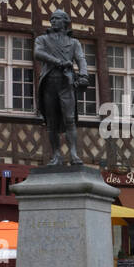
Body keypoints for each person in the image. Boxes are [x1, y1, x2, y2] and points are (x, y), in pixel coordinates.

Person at [34, 9, 90, 166]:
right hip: (49, 84)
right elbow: (38, 53)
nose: (53, 21)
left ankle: (73, 154)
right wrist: (58, 62)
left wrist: (84, 75)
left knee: (70, 119)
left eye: (57, 19)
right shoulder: (42, 39)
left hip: (66, 84)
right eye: (51, 19)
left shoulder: (74, 43)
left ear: (65, 22)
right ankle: (56, 155)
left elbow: (81, 59)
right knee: (51, 122)